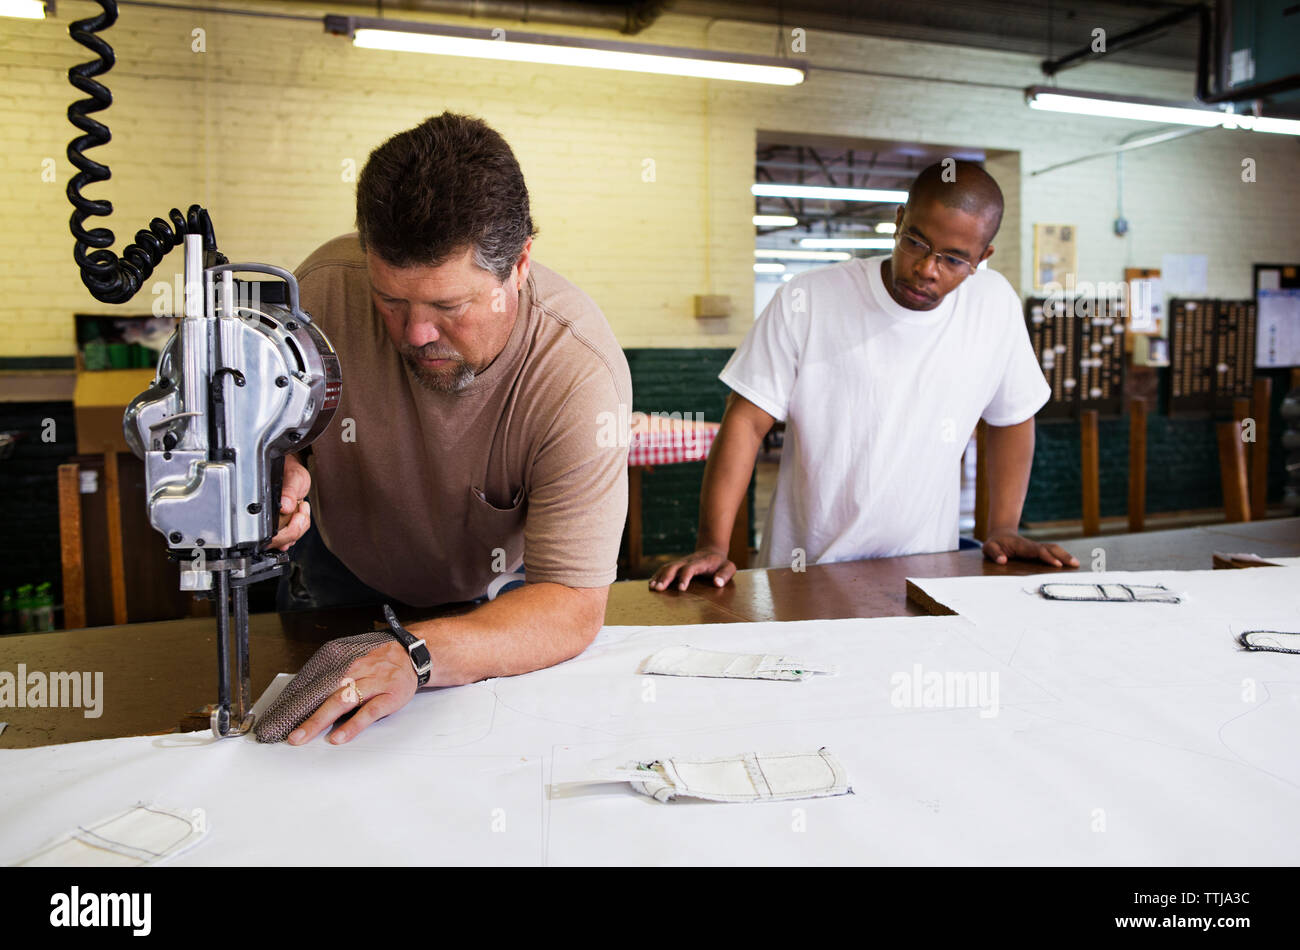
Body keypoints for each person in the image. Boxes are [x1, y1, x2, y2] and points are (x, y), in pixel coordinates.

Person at [270, 112, 632, 744]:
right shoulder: (320, 295)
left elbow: (570, 605)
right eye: (391, 300)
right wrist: (279, 464)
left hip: (501, 598)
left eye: (449, 306)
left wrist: (416, 653)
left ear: (518, 266)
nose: (415, 334)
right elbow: (276, 436)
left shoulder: (578, 373)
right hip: (338, 574)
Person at [651, 160, 1077, 592]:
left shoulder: (994, 306)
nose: (927, 268)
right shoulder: (809, 298)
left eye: (952, 259)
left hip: (926, 574)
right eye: (916, 242)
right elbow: (745, 421)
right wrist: (712, 544)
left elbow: (1014, 417)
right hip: (805, 574)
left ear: (981, 258)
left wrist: (1003, 526)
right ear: (898, 221)